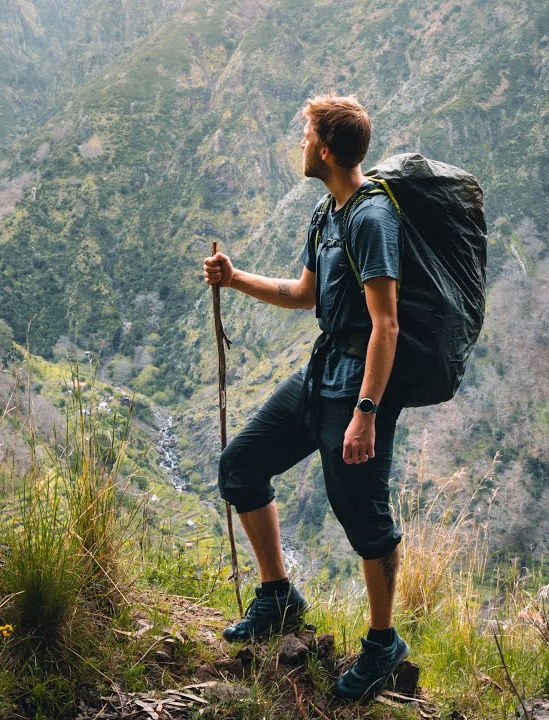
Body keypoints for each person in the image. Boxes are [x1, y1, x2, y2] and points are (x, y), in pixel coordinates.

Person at [202, 93, 408, 700]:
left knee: (364, 518)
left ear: (324, 148)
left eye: (305, 136)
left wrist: (366, 413)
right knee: (240, 466)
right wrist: (235, 279)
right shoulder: (327, 213)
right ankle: (278, 596)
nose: (299, 146)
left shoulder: (372, 220)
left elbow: (386, 325)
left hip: (358, 389)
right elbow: (304, 294)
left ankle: (382, 643)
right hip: (320, 376)